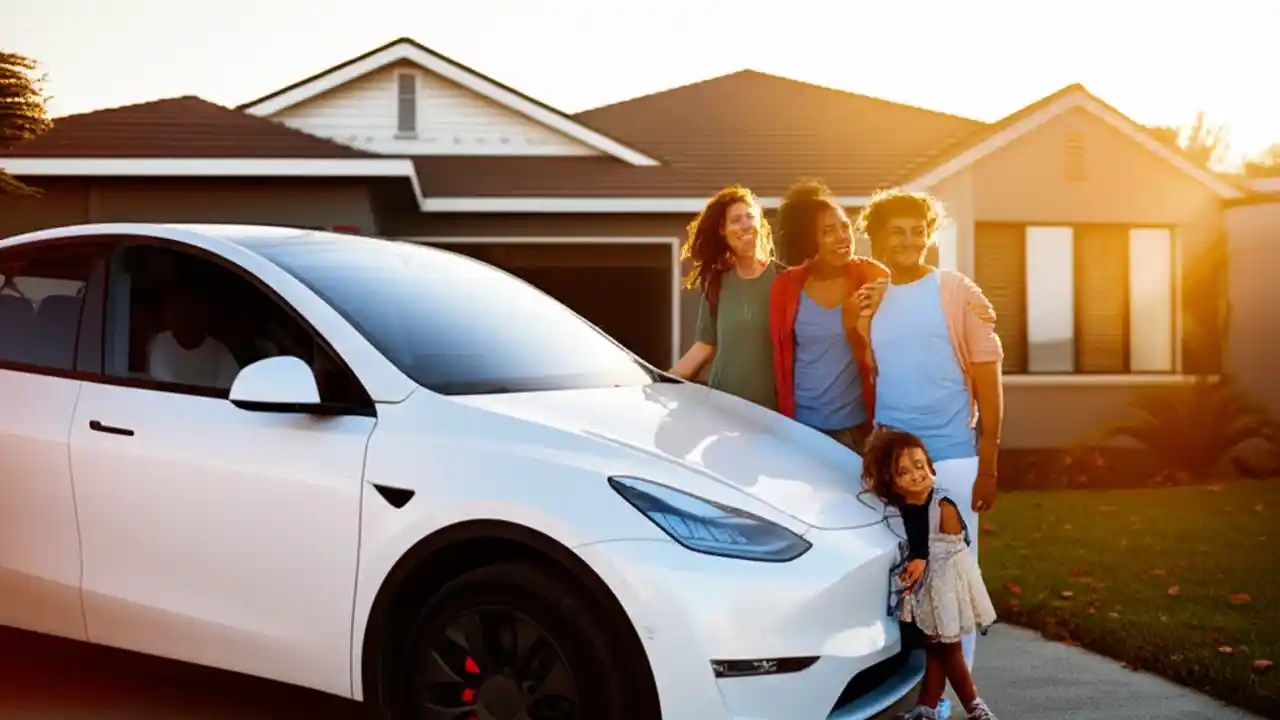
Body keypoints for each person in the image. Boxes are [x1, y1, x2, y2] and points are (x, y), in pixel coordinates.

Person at [853, 188, 1004, 668]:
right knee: (903, 572)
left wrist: (990, 464)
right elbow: (876, 369)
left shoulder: (958, 292)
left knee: (952, 575)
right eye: (896, 232)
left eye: (918, 232)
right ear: (876, 238)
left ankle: (951, 690)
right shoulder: (872, 299)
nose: (909, 241)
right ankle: (913, 675)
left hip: (953, 456)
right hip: (892, 460)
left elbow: (988, 379)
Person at [863, 428, 999, 720]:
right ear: (893, 482)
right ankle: (927, 706)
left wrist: (922, 560)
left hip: (947, 582)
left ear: (930, 465)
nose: (915, 474)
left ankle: (976, 706)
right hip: (928, 586)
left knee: (949, 649)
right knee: (935, 647)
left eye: (919, 465)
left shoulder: (942, 504)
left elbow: (951, 545)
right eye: (903, 472)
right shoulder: (904, 506)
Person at [768, 180, 887, 451]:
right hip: (802, 426)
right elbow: (780, 356)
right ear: (811, 240)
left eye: (844, 226)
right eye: (828, 231)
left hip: (858, 429)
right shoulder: (785, 287)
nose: (842, 236)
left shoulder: (873, 277)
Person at [669, 185, 779, 410]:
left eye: (750, 217)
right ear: (723, 230)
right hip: (723, 410)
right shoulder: (717, 283)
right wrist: (663, 382)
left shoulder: (784, 280)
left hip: (772, 414)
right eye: (736, 220)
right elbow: (703, 347)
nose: (746, 224)